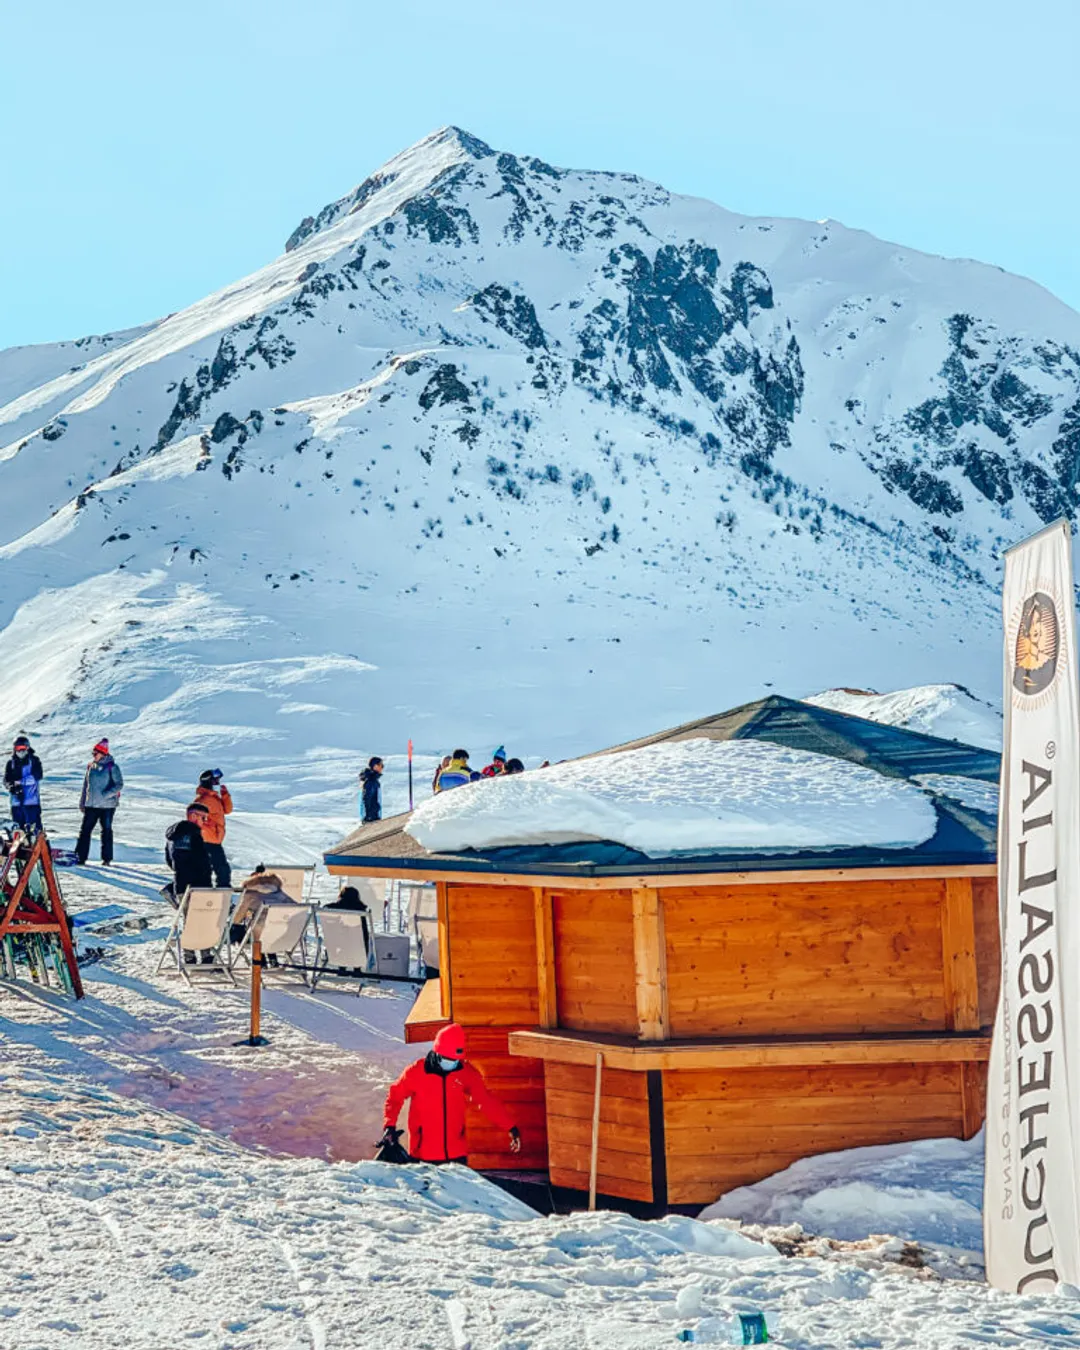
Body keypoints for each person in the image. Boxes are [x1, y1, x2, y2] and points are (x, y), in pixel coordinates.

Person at [380, 1023, 521, 1164]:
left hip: (456, 1155)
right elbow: (395, 1097)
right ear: (437, 1053)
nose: (452, 1064)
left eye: (455, 1061)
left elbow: (486, 1100)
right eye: (448, 1060)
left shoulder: (466, 1072)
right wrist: (389, 1126)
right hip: (423, 1155)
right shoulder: (416, 1071)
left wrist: (510, 1126)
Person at [164, 803, 213, 963]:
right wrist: (199, 875)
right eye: (203, 817)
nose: (205, 821)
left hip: (186, 885)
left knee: (195, 921)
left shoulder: (176, 836)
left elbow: (170, 861)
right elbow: (182, 862)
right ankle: (193, 956)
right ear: (192, 816)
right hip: (193, 886)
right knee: (196, 922)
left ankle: (199, 955)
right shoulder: (188, 834)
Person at [76, 739, 123, 865]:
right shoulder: (91, 766)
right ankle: (80, 857)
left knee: (106, 831)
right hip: (91, 805)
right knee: (85, 830)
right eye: (93, 753)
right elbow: (86, 785)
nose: (93, 755)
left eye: (95, 753)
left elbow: (119, 784)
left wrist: (106, 795)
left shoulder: (112, 767)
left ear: (103, 753)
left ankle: (107, 859)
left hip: (107, 806)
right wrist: (82, 802)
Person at [194, 768, 232, 887]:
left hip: (215, 838)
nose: (218, 783)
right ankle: (216, 895)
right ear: (209, 782)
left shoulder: (214, 798)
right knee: (220, 870)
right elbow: (195, 819)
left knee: (221, 869)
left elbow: (227, 810)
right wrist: (208, 828)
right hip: (207, 839)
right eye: (215, 780)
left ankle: (221, 895)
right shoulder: (203, 800)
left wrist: (225, 795)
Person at [324, 884, 372, 972]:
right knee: (356, 939)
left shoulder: (333, 908)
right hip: (358, 946)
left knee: (342, 937)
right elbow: (364, 933)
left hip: (337, 945)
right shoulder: (361, 910)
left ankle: (342, 967)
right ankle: (357, 968)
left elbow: (325, 908)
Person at [4, 735, 43, 835]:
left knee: (35, 831)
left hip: (31, 803)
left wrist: (21, 782)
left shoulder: (34, 761)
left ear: (27, 748)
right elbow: (6, 780)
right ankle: (21, 850)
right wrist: (11, 787)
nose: (21, 751)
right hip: (16, 803)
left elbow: (36, 776)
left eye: (23, 748)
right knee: (18, 832)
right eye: (18, 748)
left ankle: (42, 848)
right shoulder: (11, 763)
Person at [360, 757, 383, 823]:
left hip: (373, 817)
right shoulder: (371, 781)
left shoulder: (372, 780)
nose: (382, 768)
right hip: (371, 819)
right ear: (375, 766)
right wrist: (368, 818)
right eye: (381, 765)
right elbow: (366, 799)